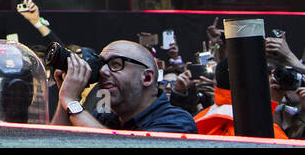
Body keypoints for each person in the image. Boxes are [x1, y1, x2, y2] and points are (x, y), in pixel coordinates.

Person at [51, 39, 198, 133]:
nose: (102, 71)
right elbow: (55, 142)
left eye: (116, 64)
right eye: (101, 64)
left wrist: (71, 102)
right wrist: (65, 96)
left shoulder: (177, 123)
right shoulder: (104, 116)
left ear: (147, 77)